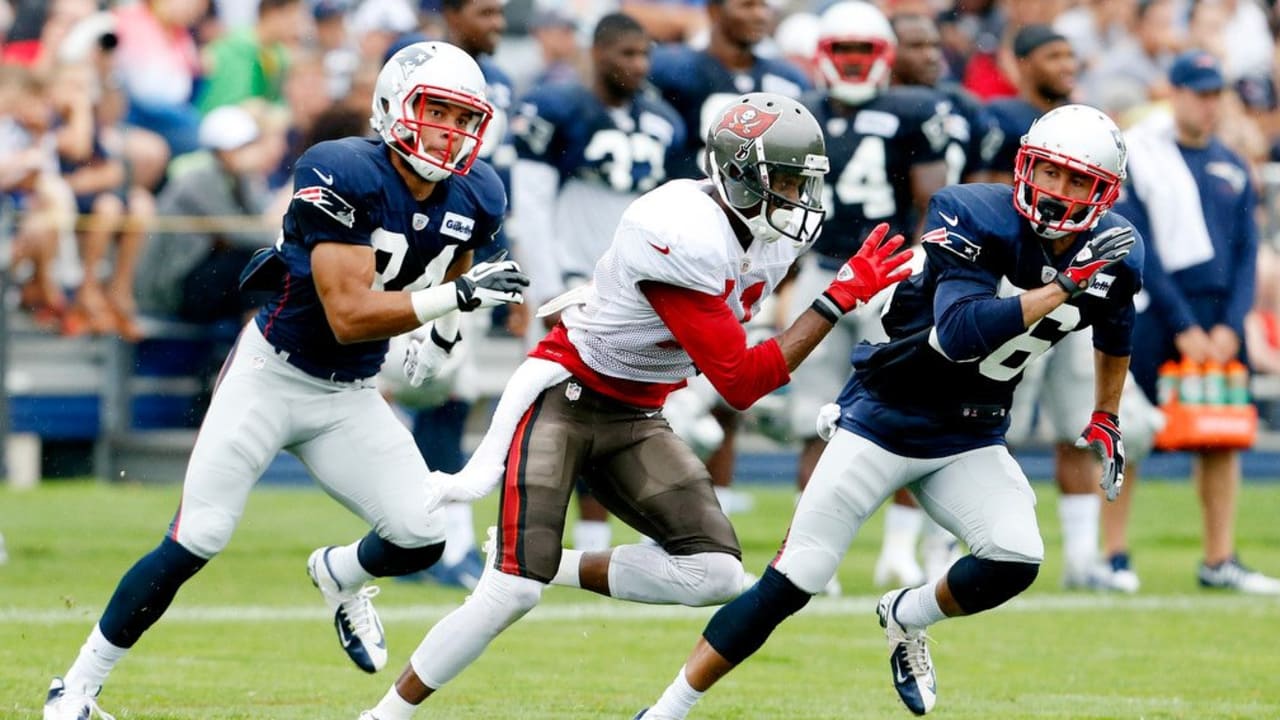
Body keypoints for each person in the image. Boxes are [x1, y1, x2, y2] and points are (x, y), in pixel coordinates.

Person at [354, 92, 912, 720]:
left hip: (635, 412)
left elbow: (720, 352)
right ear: (736, 175)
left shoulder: (766, 238)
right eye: (781, 181)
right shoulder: (679, 229)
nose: (795, 198)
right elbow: (741, 379)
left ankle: (548, 564)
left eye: (801, 181)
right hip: (565, 396)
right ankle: (385, 715)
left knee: (717, 574)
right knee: (509, 591)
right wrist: (834, 302)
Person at [42, 41, 531, 720]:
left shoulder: (479, 191)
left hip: (349, 395)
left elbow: (455, 257)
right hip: (272, 376)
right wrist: (453, 304)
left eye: (462, 115)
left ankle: (341, 574)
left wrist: (438, 328)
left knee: (422, 535)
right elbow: (351, 313)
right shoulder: (341, 170)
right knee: (199, 537)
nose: (449, 130)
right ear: (393, 108)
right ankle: (77, 685)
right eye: (434, 110)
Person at [634, 103, 1143, 719]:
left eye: (1077, 181)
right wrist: (1064, 285)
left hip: (972, 432)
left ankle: (906, 616)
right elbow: (958, 332)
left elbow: (1115, 323)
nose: (1057, 192)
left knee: (1015, 557)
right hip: (884, 416)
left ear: (1104, 191)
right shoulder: (971, 210)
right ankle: (666, 710)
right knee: (792, 582)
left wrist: (1107, 411)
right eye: (1048, 172)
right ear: (1023, 165)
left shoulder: (1116, 249)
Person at [784, 1, 950, 593]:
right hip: (825, 272)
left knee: (906, 412)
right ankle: (808, 555)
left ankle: (900, 552)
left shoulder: (913, 109)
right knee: (813, 421)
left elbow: (933, 199)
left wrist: (923, 271)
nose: (853, 65)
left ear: (884, 58)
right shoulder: (800, 115)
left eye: (864, 53)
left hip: (890, 276)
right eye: (842, 52)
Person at [511, 11, 686, 553]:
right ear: (597, 52)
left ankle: (610, 534)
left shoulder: (663, 119)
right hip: (570, 279)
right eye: (625, 54)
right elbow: (533, 204)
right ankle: (535, 535)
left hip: (634, 287)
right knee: (556, 412)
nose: (636, 65)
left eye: (644, 55)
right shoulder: (558, 106)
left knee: (629, 412)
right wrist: (542, 289)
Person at [1114, 50, 1280, 594]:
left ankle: (1220, 557)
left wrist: (1233, 322)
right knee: (1127, 433)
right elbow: (1140, 244)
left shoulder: (1233, 164)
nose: (1208, 104)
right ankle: (1112, 553)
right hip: (1153, 309)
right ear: (1175, 92)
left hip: (1218, 315)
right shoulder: (1139, 156)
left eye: (1215, 94)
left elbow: (1246, 252)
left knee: (1222, 436)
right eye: (1198, 92)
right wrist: (1183, 321)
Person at [648, 0, 810, 514]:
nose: (760, 13)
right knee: (680, 374)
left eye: (766, 4)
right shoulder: (678, 69)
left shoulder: (782, 77)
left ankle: (711, 502)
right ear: (715, 10)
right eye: (747, 3)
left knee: (728, 373)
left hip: (758, 227)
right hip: (694, 224)